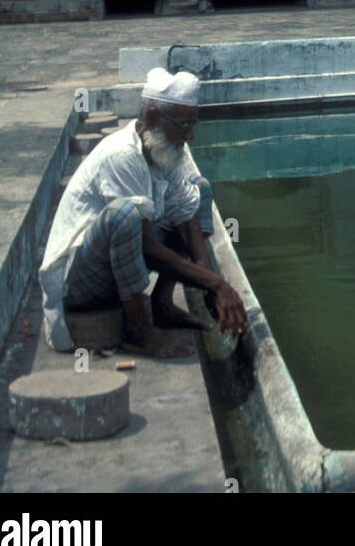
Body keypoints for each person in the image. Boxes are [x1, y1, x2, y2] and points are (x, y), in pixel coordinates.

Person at [39, 67, 246, 358]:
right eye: (182, 126)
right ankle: (137, 331)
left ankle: (162, 304)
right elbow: (146, 248)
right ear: (151, 119)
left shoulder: (163, 150)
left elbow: (186, 217)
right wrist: (217, 283)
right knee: (126, 215)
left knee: (199, 189)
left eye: (192, 125)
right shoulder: (122, 156)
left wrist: (210, 284)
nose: (190, 135)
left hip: (116, 264)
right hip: (78, 283)